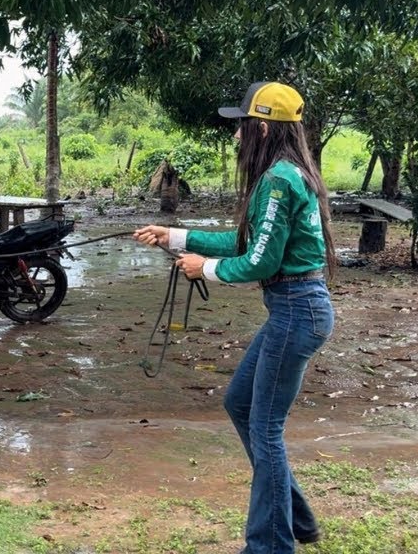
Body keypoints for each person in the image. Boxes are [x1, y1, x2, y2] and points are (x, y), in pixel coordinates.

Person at [133, 81, 336, 553]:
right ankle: (299, 522)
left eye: (242, 127)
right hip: (295, 309)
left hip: (296, 312)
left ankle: (269, 546)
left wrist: (205, 269)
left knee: (265, 429)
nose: (237, 138)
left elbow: (260, 263)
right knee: (240, 404)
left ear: (262, 128)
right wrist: (175, 237)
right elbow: (245, 242)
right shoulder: (287, 175)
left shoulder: (279, 180)